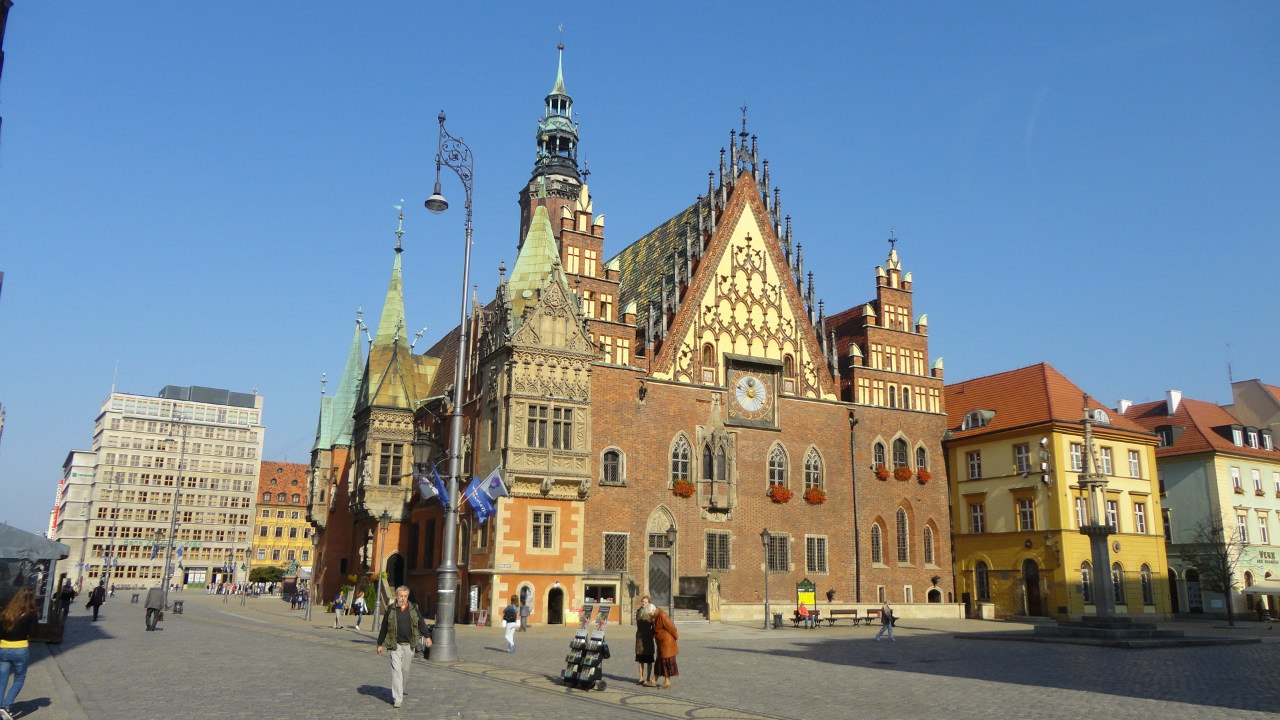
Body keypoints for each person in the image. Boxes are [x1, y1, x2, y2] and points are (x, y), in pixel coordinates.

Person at [376, 586, 430, 709]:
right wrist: (380, 643)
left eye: (405, 596)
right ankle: (398, 698)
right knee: (396, 670)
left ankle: (399, 689)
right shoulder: (391, 609)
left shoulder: (413, 609)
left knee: (405, 670)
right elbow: (384, 627)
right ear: (397, 596)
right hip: (395, 645)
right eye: (401, 596)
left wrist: (427, 636)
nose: (403, 598)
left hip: (409, 645)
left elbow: (421, 623)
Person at [0, 587, 38, 720]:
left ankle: (0, 709)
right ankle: (6, 706)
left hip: (3, 649)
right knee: (19, 679)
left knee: (2, 681)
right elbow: (34, 633)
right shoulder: (32, 614)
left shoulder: (6, 611)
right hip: (20, 649)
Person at [652, 604, 679, 690]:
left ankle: (667, 681)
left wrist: (675, 637)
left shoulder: (662, 615)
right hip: (661, 643)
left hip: (667, 643)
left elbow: (672, 627)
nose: (650, 616)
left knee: (666, 662)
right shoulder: (655, 615)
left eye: (650, 614)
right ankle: (654, 679)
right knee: (660, 661)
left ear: (653, 611)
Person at [634, 595, 656, 686]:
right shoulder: (639, 611)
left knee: (649, 660)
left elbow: (654, 625)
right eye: (643, 601)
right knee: (640, 660)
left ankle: (648, 678)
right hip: (639, 637)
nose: (644, 603)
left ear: (649, 603)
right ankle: (641, 678)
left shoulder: (651, 612)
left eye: (646, 602)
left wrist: (652, 633)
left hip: (648, 638)